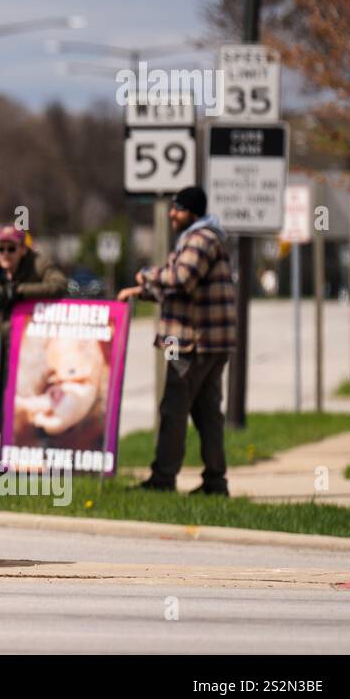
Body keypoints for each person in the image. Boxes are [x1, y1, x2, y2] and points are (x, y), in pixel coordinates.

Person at [118, 185, 236, 495]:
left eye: (178, 209)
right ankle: (215, 482)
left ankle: (162, 479)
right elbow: (180, 288)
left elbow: (182, 279)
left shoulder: (200, 239)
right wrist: (141, 293)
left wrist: (146, 275)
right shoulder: (203, 238)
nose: (172, 213)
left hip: (188, 343)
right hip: (208, 340)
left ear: (193, 213)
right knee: (207, 413)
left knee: (173, 407)